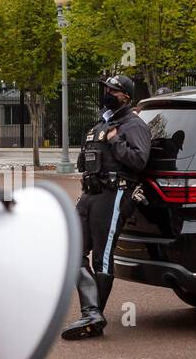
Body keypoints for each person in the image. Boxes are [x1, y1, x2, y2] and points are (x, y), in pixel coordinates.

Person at [61, 74, 152, 340]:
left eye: (112, 90)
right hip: (90, 194)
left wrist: (115, 141)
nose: (107, 93)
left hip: (114, 194)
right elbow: (84, 160)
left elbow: (139, 160)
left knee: (102, 255)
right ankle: (91, 313)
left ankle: (93, 315)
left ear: (125, 95)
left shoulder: (132, 124)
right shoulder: (100, 123)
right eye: (105, 88)